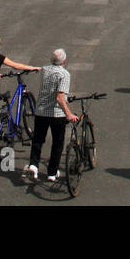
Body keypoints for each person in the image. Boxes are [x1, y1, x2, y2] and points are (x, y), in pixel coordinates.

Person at [25, 49, 79, 183]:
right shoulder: (64, 75)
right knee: (57, 143)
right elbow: (60, 98)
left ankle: (33, 165)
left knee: (38, 140)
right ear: (65, 61)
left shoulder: (45, 70)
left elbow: (41, 69)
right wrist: (69, 114)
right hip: (56, 114)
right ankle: (52, 172)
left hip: (41, 111)